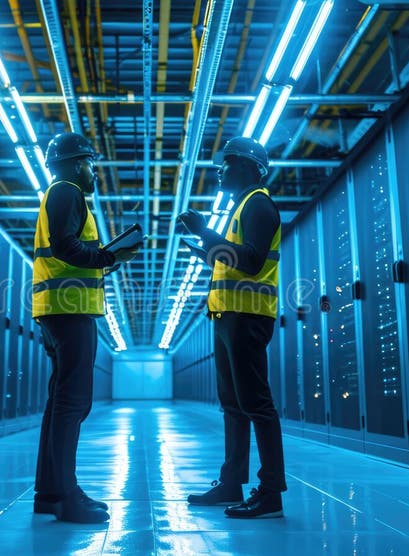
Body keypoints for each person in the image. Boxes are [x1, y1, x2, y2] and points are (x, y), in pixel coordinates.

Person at [31, 131, 139, 523]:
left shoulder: (58, 194)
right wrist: (107, 255)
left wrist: (108, 257)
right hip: (69, 310)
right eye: (91, 164)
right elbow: (65, 247)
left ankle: (50, 493)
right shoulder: (67, 192)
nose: (94, 172)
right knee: (73, 403)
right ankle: (66, 495)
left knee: (61, 403)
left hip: (59, 309)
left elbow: (66, 248)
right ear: (78, 163)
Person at [177, 136, 286, 519]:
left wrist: (206, 234)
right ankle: (231, 482)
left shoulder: (258, 204)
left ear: (248, 167)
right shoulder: (242, 207)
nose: (220, 170)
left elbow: (252, 263)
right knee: (233, 404)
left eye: (227, 163)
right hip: (227, 316)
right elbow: (233, 261)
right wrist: (203, 245)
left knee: (256, 404)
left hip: (248, 316)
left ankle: (271, 492)